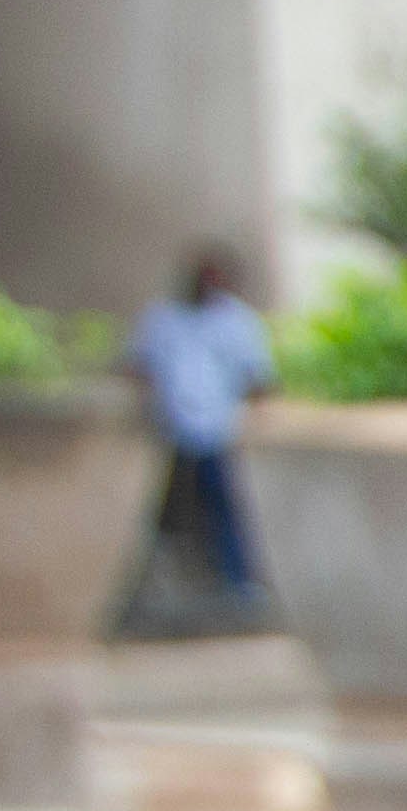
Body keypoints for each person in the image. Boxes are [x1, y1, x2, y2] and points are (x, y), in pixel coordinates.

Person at [129, 243, 278, 615]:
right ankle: (144, 587)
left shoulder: (238, 322)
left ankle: (239, 582)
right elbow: (139, 364)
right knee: (157, 511)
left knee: (225, 505)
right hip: (170, 432)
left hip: (218, 433)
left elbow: (258, 377)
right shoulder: (162, 318)